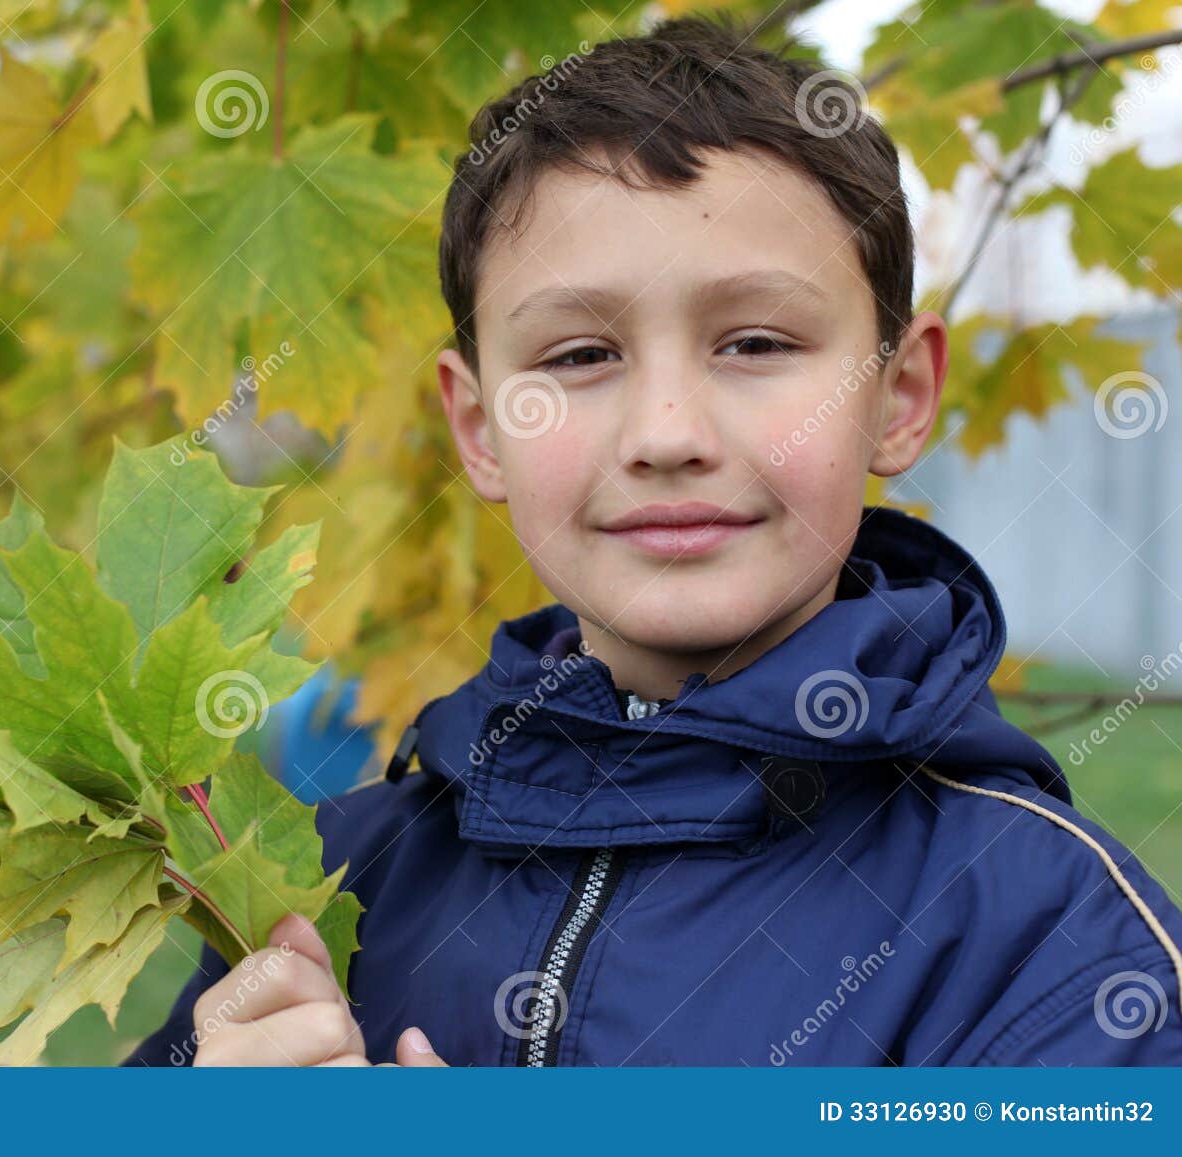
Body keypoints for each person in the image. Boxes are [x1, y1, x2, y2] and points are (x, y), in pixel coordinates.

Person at [124, 15, 1182, 1067]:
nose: (666, 434)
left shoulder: (1045, 940)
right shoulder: (330, 887)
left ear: (897, 395)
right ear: (479, 427)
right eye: (580, 355)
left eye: (756, 342)